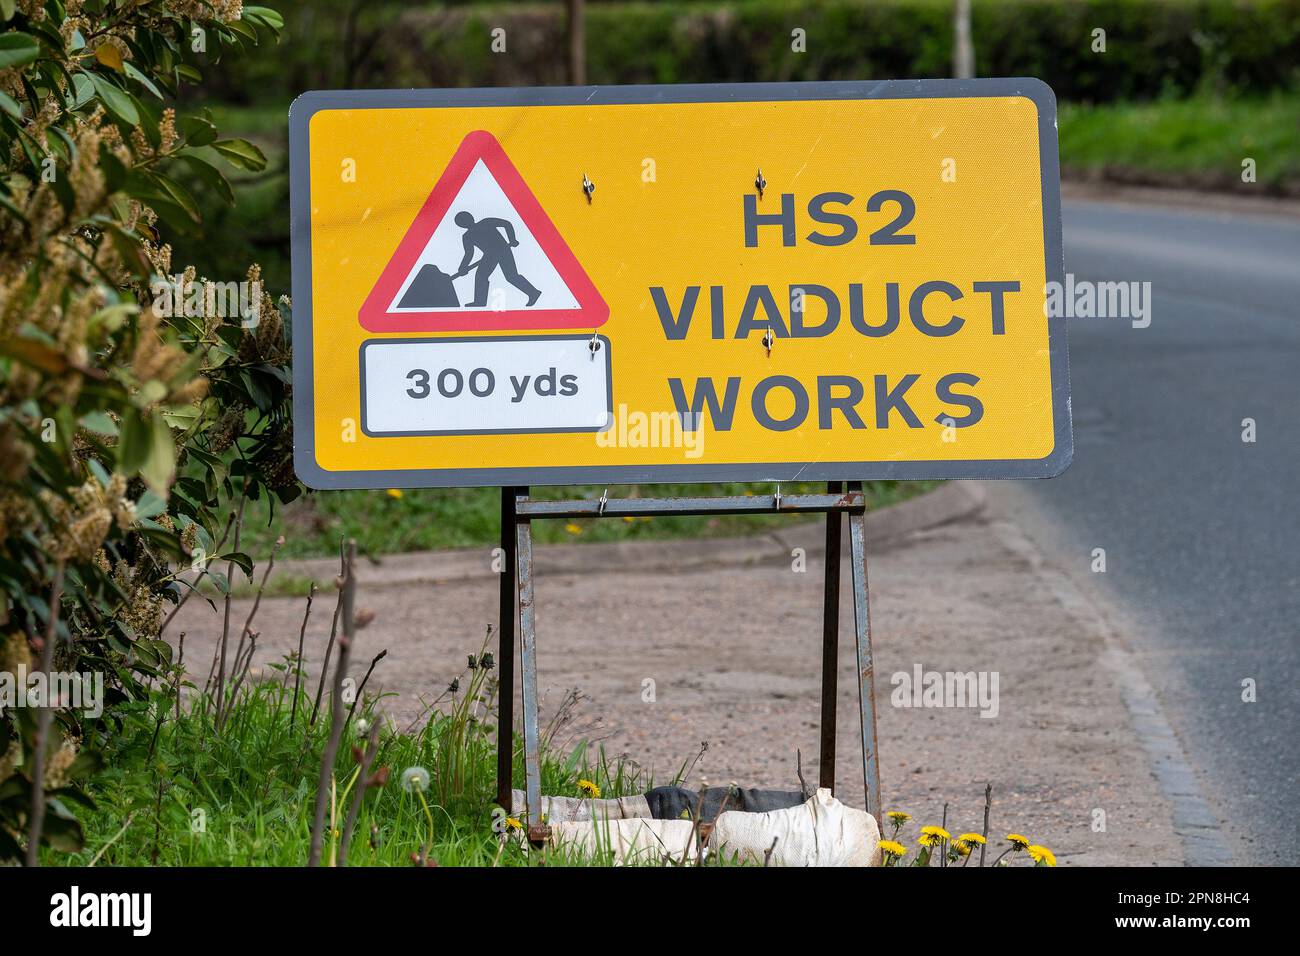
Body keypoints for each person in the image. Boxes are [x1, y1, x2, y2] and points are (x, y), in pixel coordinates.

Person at [452, 211, 541, 307]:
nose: (465, 223)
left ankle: (533, 293)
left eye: (464, 220)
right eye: (462, 222)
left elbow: (506, 224)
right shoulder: (467, 236)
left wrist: (512, 239)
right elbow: (469, 253)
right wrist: (463, 267)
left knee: (510, 276)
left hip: (503, 250)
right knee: (481, 276)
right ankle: (480, 301)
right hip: (490, 255)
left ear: (470, 218)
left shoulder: (486, 222)